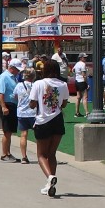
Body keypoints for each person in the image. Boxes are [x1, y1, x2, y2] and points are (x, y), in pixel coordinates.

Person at [29, 58, 69, 197]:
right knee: (52, 154)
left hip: (43, 121)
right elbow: (64, 104)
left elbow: (32, 104)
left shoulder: (38, 83)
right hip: (57, 120)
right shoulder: (63, 84)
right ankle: (49, 184)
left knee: (41, 154)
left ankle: (50, 177)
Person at [0, 59, 27, 163]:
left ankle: (8, 153)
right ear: (12, 67)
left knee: (9, 131)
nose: (18, 71)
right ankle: (4, 154)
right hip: (7, 105)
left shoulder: (14, 77)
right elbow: (0, 93)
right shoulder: (4, 77)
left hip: (13, 105)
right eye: (17, 69)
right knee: (7, 131)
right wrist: (3, 107)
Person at [71, 54, 90, 119]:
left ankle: (77, 113)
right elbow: (84, 75)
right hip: (82, 81)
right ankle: (87, 112)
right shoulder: (83, 64)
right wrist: (86, 84)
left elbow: (72, 70)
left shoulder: (77, 64)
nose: (85, 58)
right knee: (85, 97)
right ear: (81, 58)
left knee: (78, 97)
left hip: (77, 81)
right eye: (84, 57)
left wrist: (76, 74)